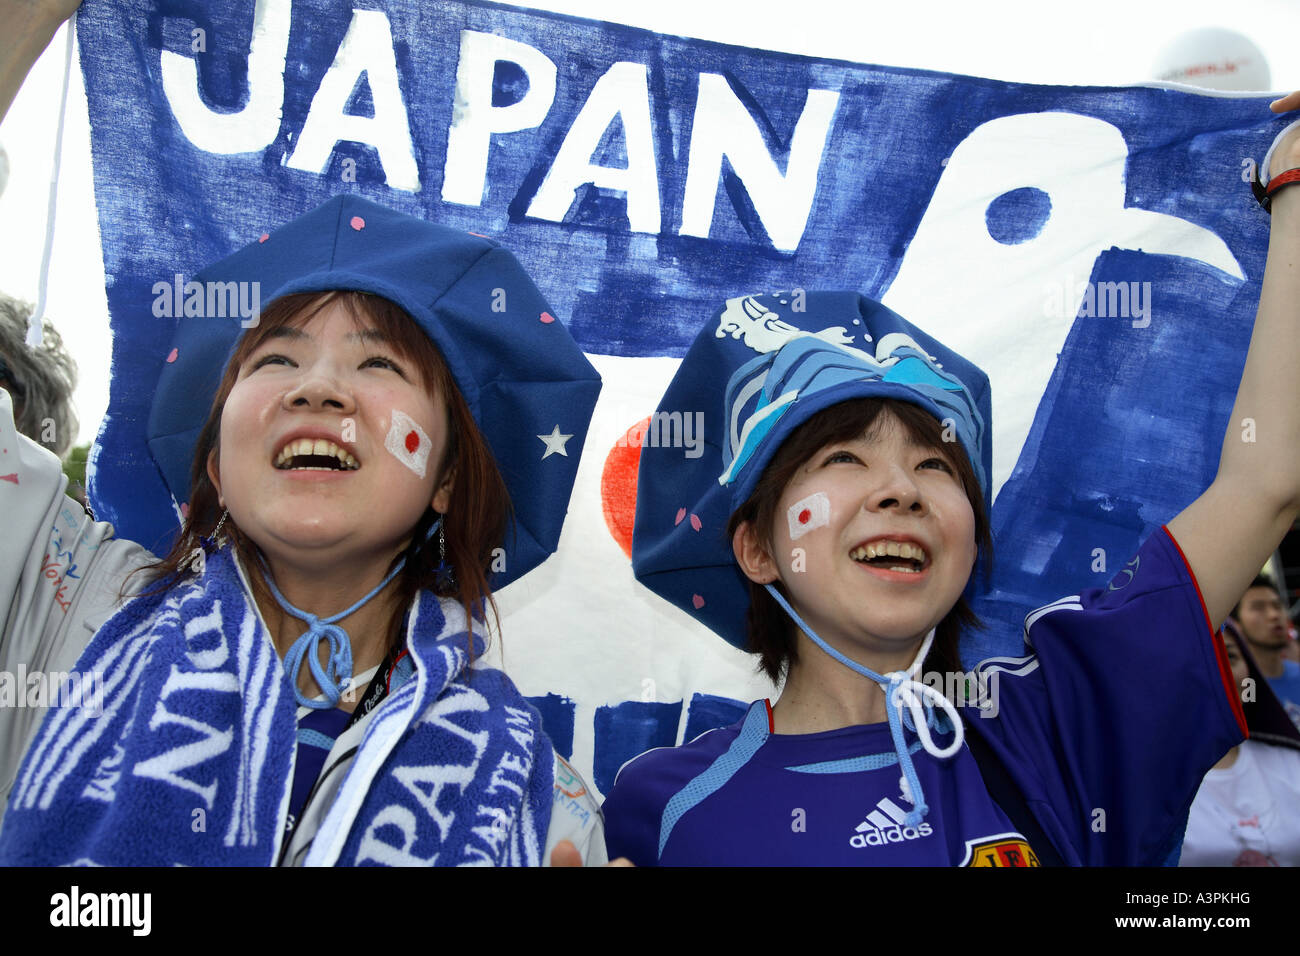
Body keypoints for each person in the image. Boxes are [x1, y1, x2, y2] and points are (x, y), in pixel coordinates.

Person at [602, 99, 1300, 866]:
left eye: (935, 465)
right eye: (843, 459)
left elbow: (1268, 481)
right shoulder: (664, 807)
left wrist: (1295, 172)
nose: (901, 491)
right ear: (757, 549)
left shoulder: (1061, 723)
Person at [0, 194, 608, 866]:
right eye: (275, 362)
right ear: (217, 469)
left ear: (447, 479)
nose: (317, 389)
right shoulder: (62, 604)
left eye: (379, 364)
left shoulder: (538, 802)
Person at [1180, 620, 1300, 866]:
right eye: (1202, 656)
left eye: (1231, 656)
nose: (1220, 670)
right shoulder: (1138, 782)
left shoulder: (1291, 760)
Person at [1234, 575, 1300, 728]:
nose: (1274, 615)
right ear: (1237, 625)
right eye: (1258, 608)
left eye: (1277, 606)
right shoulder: (1241, 688)